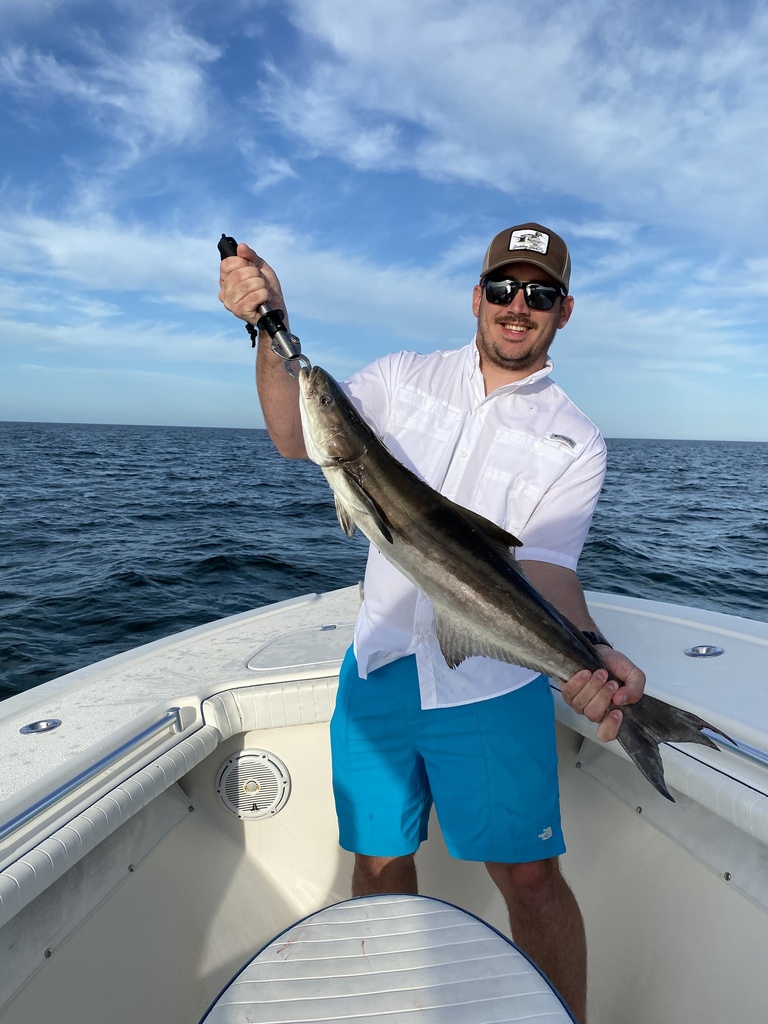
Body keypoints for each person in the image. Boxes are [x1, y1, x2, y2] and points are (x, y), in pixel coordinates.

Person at [219, 222, 646, 1024]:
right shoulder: (398, 378)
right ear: (477, 295)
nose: (518, 307)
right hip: (379, 666)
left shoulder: (576, 437)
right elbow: (291, 434)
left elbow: (547, 569)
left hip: (493, 681)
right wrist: (267, 331)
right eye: (504, 288)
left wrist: (591, 653)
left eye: (540, 294)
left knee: (528, 879)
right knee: (378, 864)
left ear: (564, 310)